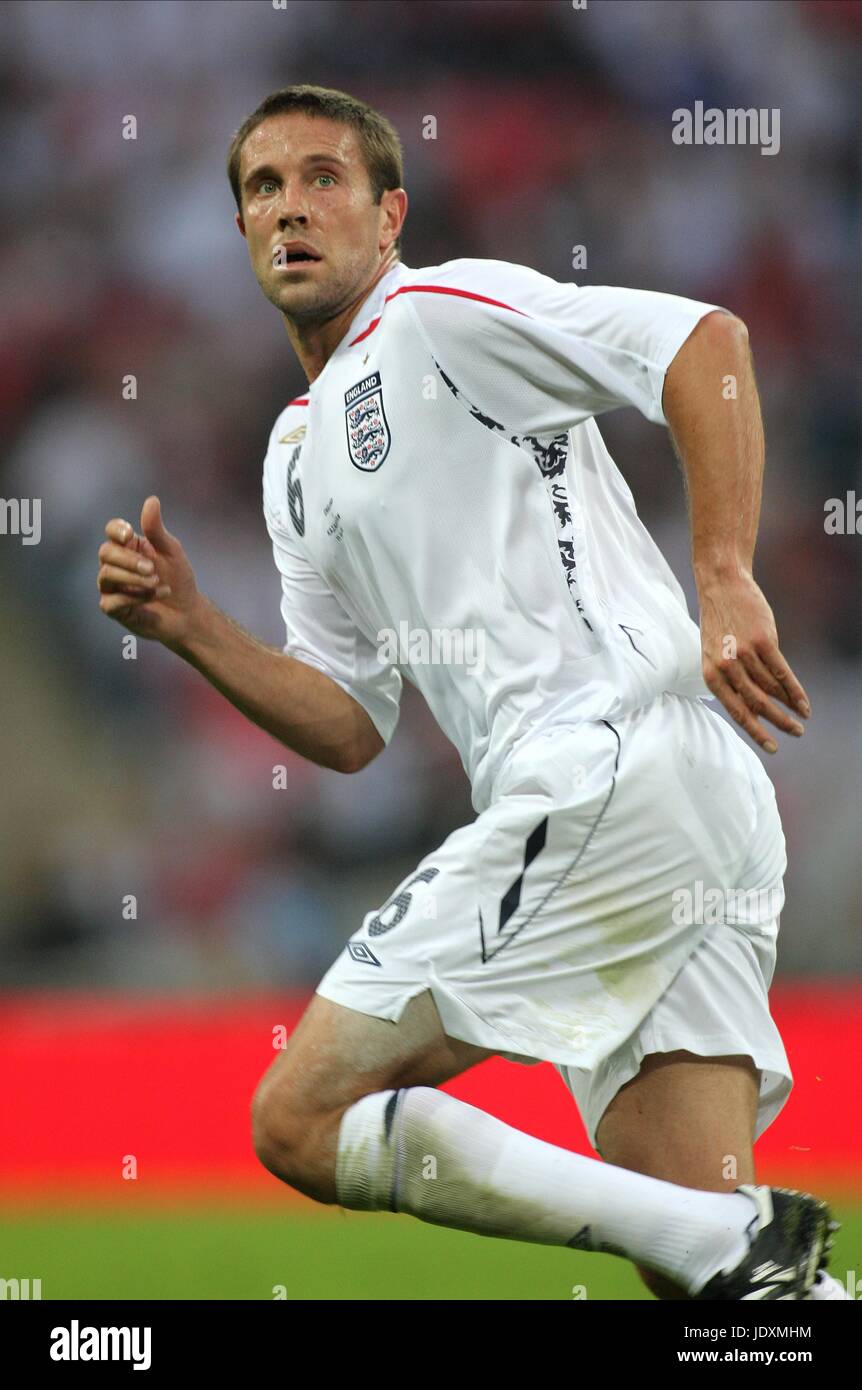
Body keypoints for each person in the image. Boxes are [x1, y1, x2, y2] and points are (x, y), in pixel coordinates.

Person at [97, 85, 845, 1299]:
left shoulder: (440, 315)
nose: (291, 208)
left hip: (610, 764)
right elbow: (349, 722)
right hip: (670, 808)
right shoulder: (295, 459)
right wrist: (190, 627)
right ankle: (744, 1258)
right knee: (730, 1296)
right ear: (240, 229)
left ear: (390, 214)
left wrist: (724, 578)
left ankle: (725, 1242)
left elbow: (703, 343)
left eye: (322, 179)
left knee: (298, 1117)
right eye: (262, 188)